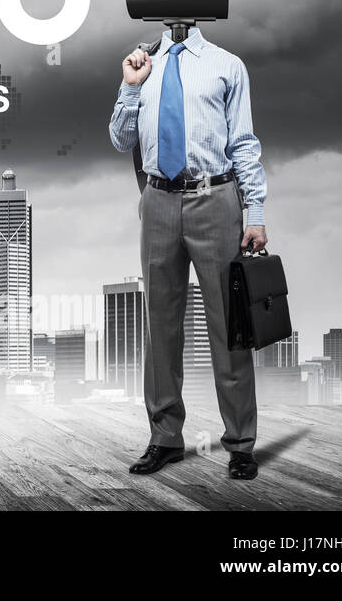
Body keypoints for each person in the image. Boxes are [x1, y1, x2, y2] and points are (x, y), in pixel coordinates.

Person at [109, 26, 268, 481]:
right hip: (158, 200)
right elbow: (121, 140)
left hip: (216, 200)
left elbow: (243, 144)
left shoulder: (226, 65)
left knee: (230, 325)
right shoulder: (141, 65)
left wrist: (253, 211)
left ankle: (240, 443)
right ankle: (165, 439)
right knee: (160, 325)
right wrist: (129, 86)